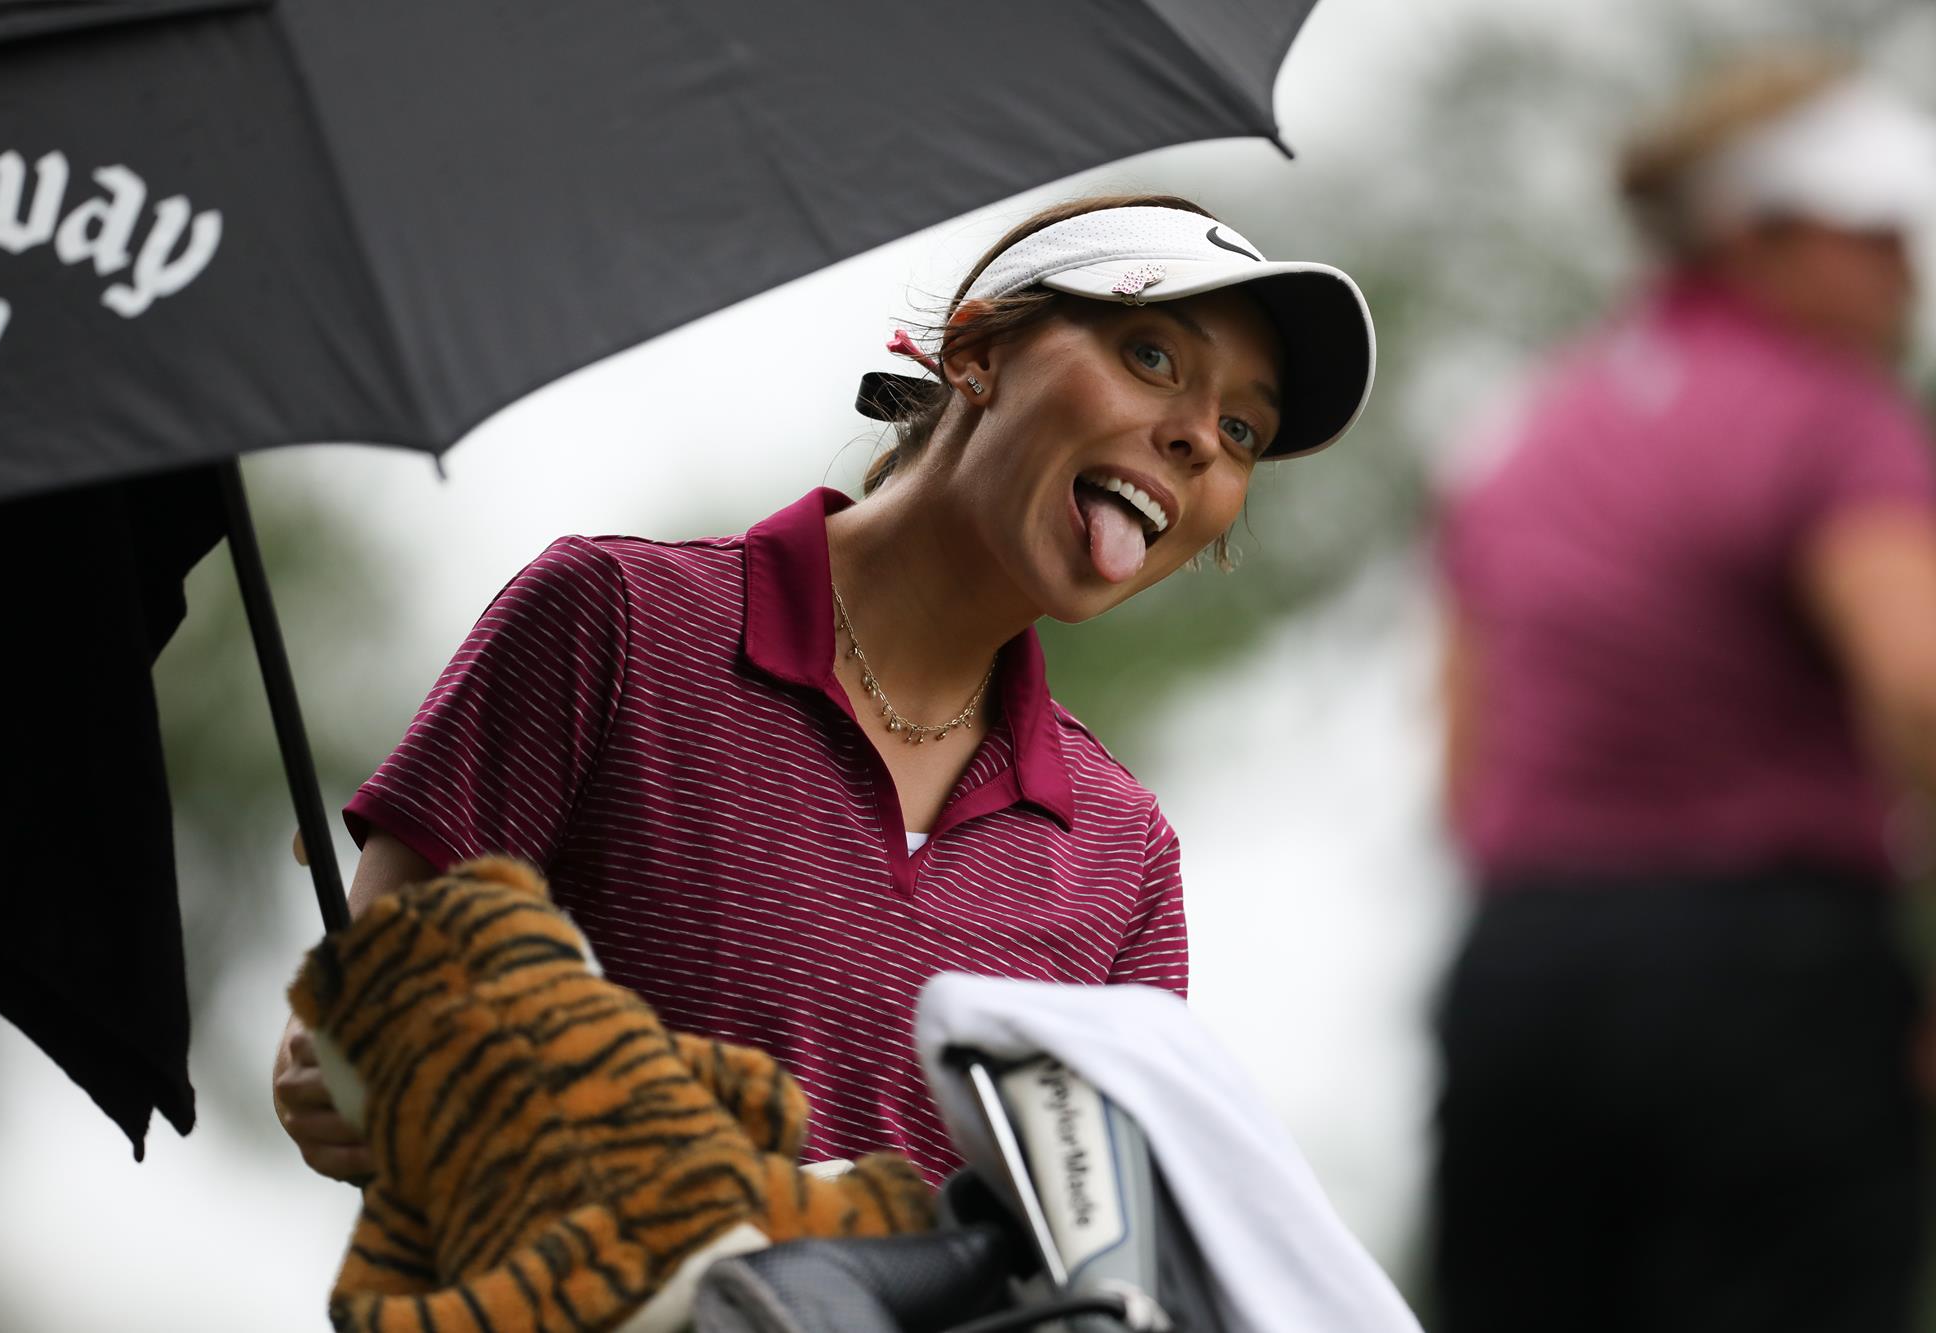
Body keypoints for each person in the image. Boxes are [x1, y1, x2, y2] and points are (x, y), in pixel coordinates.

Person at [272, 194, 1376, 1186]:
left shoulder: (1122, 854)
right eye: (1151, 355)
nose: (1198, 437)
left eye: (1243, 429)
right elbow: (359, 1043)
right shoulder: (613, 620)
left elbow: (1096, 1254)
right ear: (975, 352)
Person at [1434, 51, 1936, 1332]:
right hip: (1768, 982)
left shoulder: (1526, 427)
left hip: (1521, 978)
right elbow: (1919, 686)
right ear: (1753, 238)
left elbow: (1458, 757)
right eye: (1871, 235)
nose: (1905, 271)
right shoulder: (1831, 415)